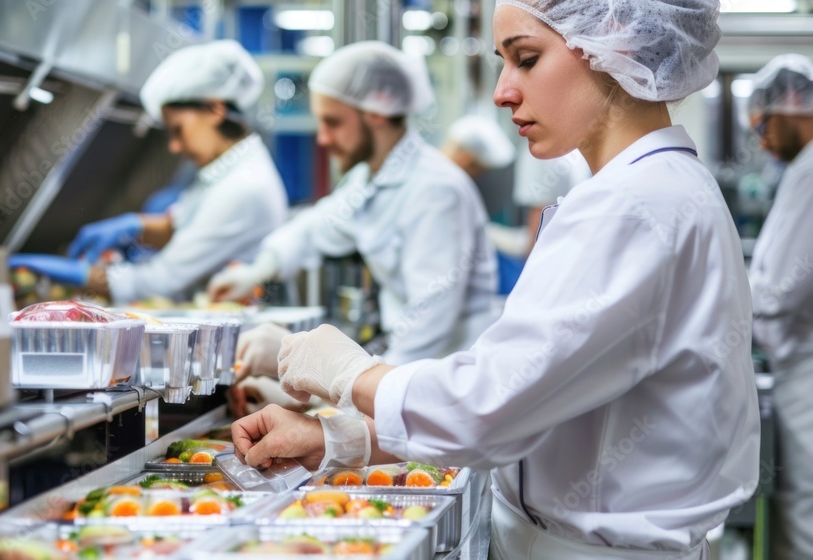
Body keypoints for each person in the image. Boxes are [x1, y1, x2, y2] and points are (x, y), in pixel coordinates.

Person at [232, 2, 760, 558]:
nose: (503, 92)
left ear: (615, 45)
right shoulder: (643, 189)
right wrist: (342, 438)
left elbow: (482, 409)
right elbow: (537, 403)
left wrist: (347, 372)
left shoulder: (635, 206)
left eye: (527, 59)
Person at [208, 41, 499, 366]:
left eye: (332, 122)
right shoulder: (369, 182)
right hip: (405, 372)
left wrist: (354, 392)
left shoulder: (436, 190)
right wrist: (257, 270)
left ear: (376, 112)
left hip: (445, 377)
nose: (323, 139)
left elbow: (428, 322)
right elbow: (313, 228)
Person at [9, 40, 288, 303]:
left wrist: (77, 274)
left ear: (215, 110)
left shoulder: (243, 186)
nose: (175, 146)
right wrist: (135, 226)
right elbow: (180, 227)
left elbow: (159, 281)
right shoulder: (229, 171)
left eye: (178, 130)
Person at [747, 53, 813, 560]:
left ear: (795, 108)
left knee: (804, 511)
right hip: (797, 367)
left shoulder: (809, 172)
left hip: (806, 374)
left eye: (765, 123)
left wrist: (719, 295)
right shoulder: (798, 171)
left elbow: (780, 289)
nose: (761, 138)